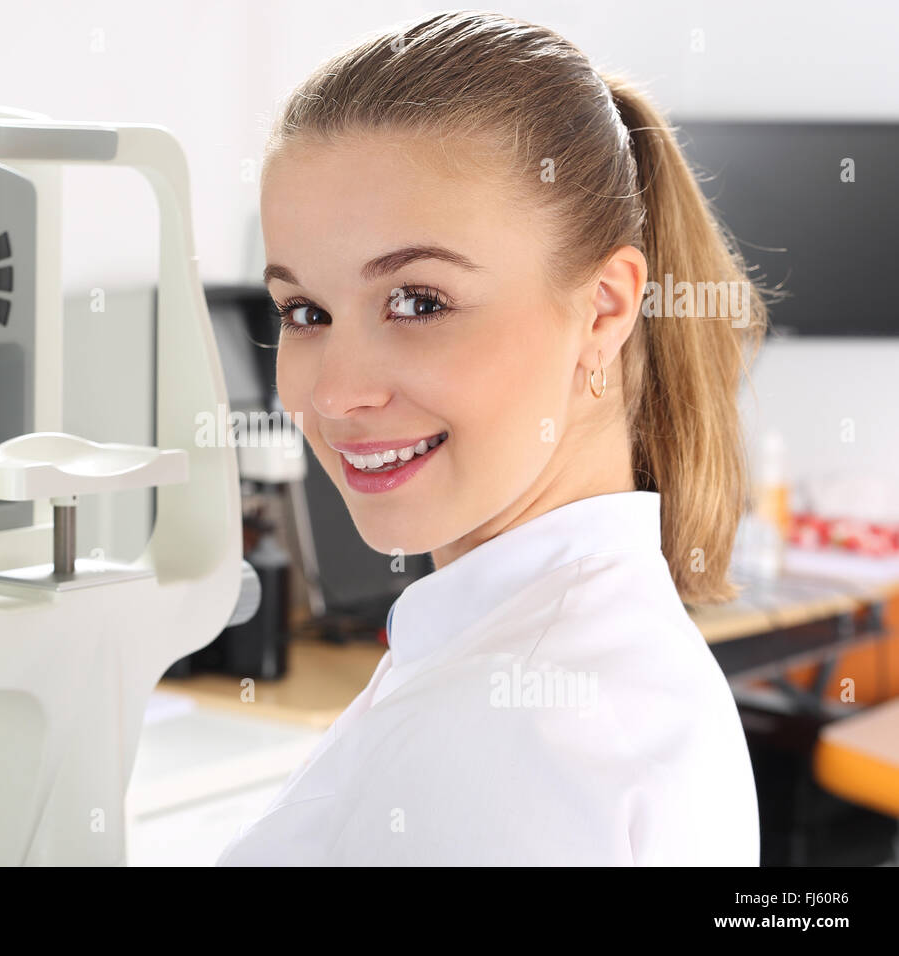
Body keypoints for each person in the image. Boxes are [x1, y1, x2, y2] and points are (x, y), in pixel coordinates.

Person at [216, 9, 768, 865]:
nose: (335, 394)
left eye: (418, 302)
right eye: (305, 311)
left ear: (605, 310)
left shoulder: (512, 737)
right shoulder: (558, 662)